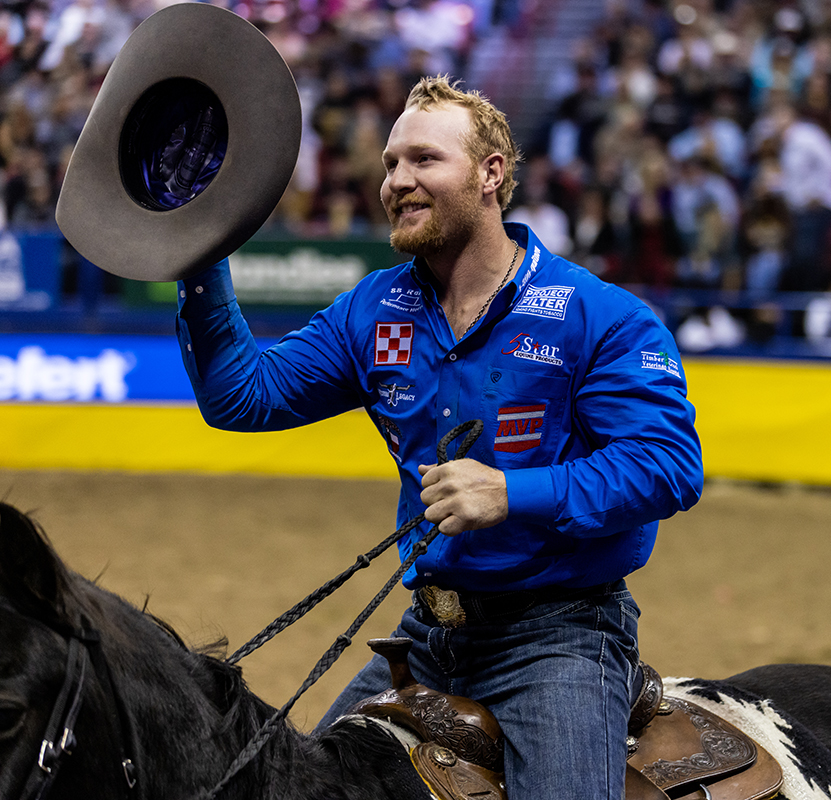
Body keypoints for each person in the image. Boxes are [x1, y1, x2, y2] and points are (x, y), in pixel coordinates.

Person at [174, 76, 704, 800]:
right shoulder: (373, 307)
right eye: (391, 164)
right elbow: (243, 396)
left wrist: (510, 492)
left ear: (491, 175)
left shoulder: (600, 315)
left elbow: (668, 466)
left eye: (424, 160)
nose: (397, 181)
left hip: (560, 637)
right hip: (425, 634)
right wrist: (200, 253)